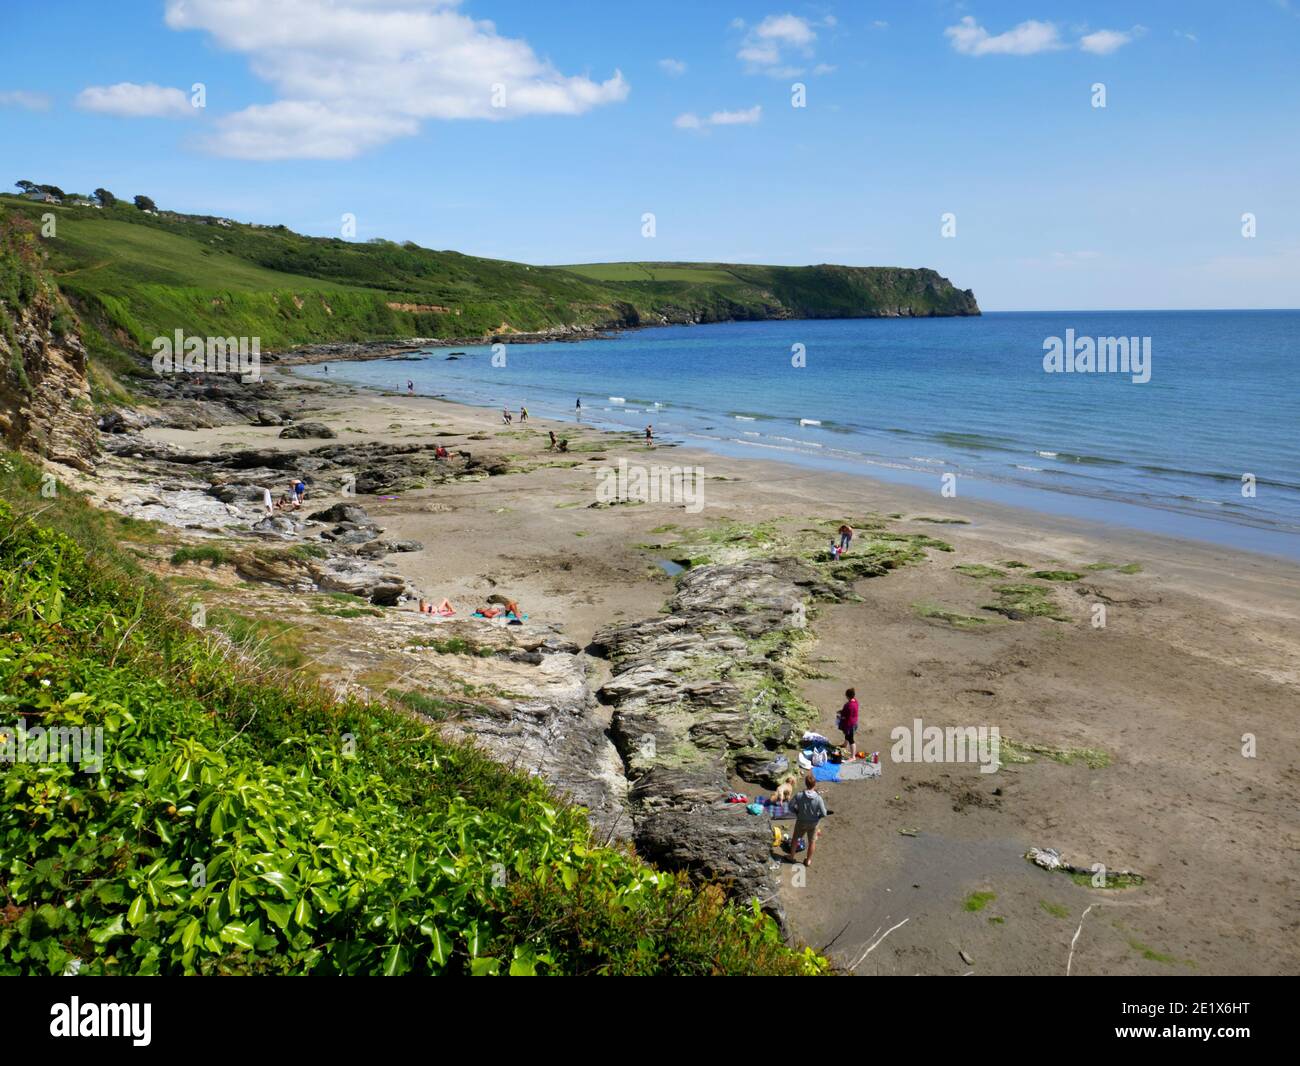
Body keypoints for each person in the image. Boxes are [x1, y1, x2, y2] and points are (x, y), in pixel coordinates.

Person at [787, 773, 828, 867]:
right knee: (812, 841)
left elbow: (790, 806)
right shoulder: (818, 798)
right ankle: (808, 860)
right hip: (813, 823)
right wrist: (818, 816)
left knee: (795, 839)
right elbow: (824, 813)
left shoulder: (799, 795)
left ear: (806, 784)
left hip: (801, 820)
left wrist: (796, 811)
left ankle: (791, 856)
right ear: (815, 784)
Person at [837, 687, 859, 758]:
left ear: (847, 696)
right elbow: (850, 713)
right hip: (854, 723)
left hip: (849, 725)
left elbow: (845, 716)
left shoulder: (848, 705)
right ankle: (844, 744)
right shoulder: (855, 702)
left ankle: (853, 756)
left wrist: (839, 717)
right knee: (847, 735)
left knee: (851, 739)